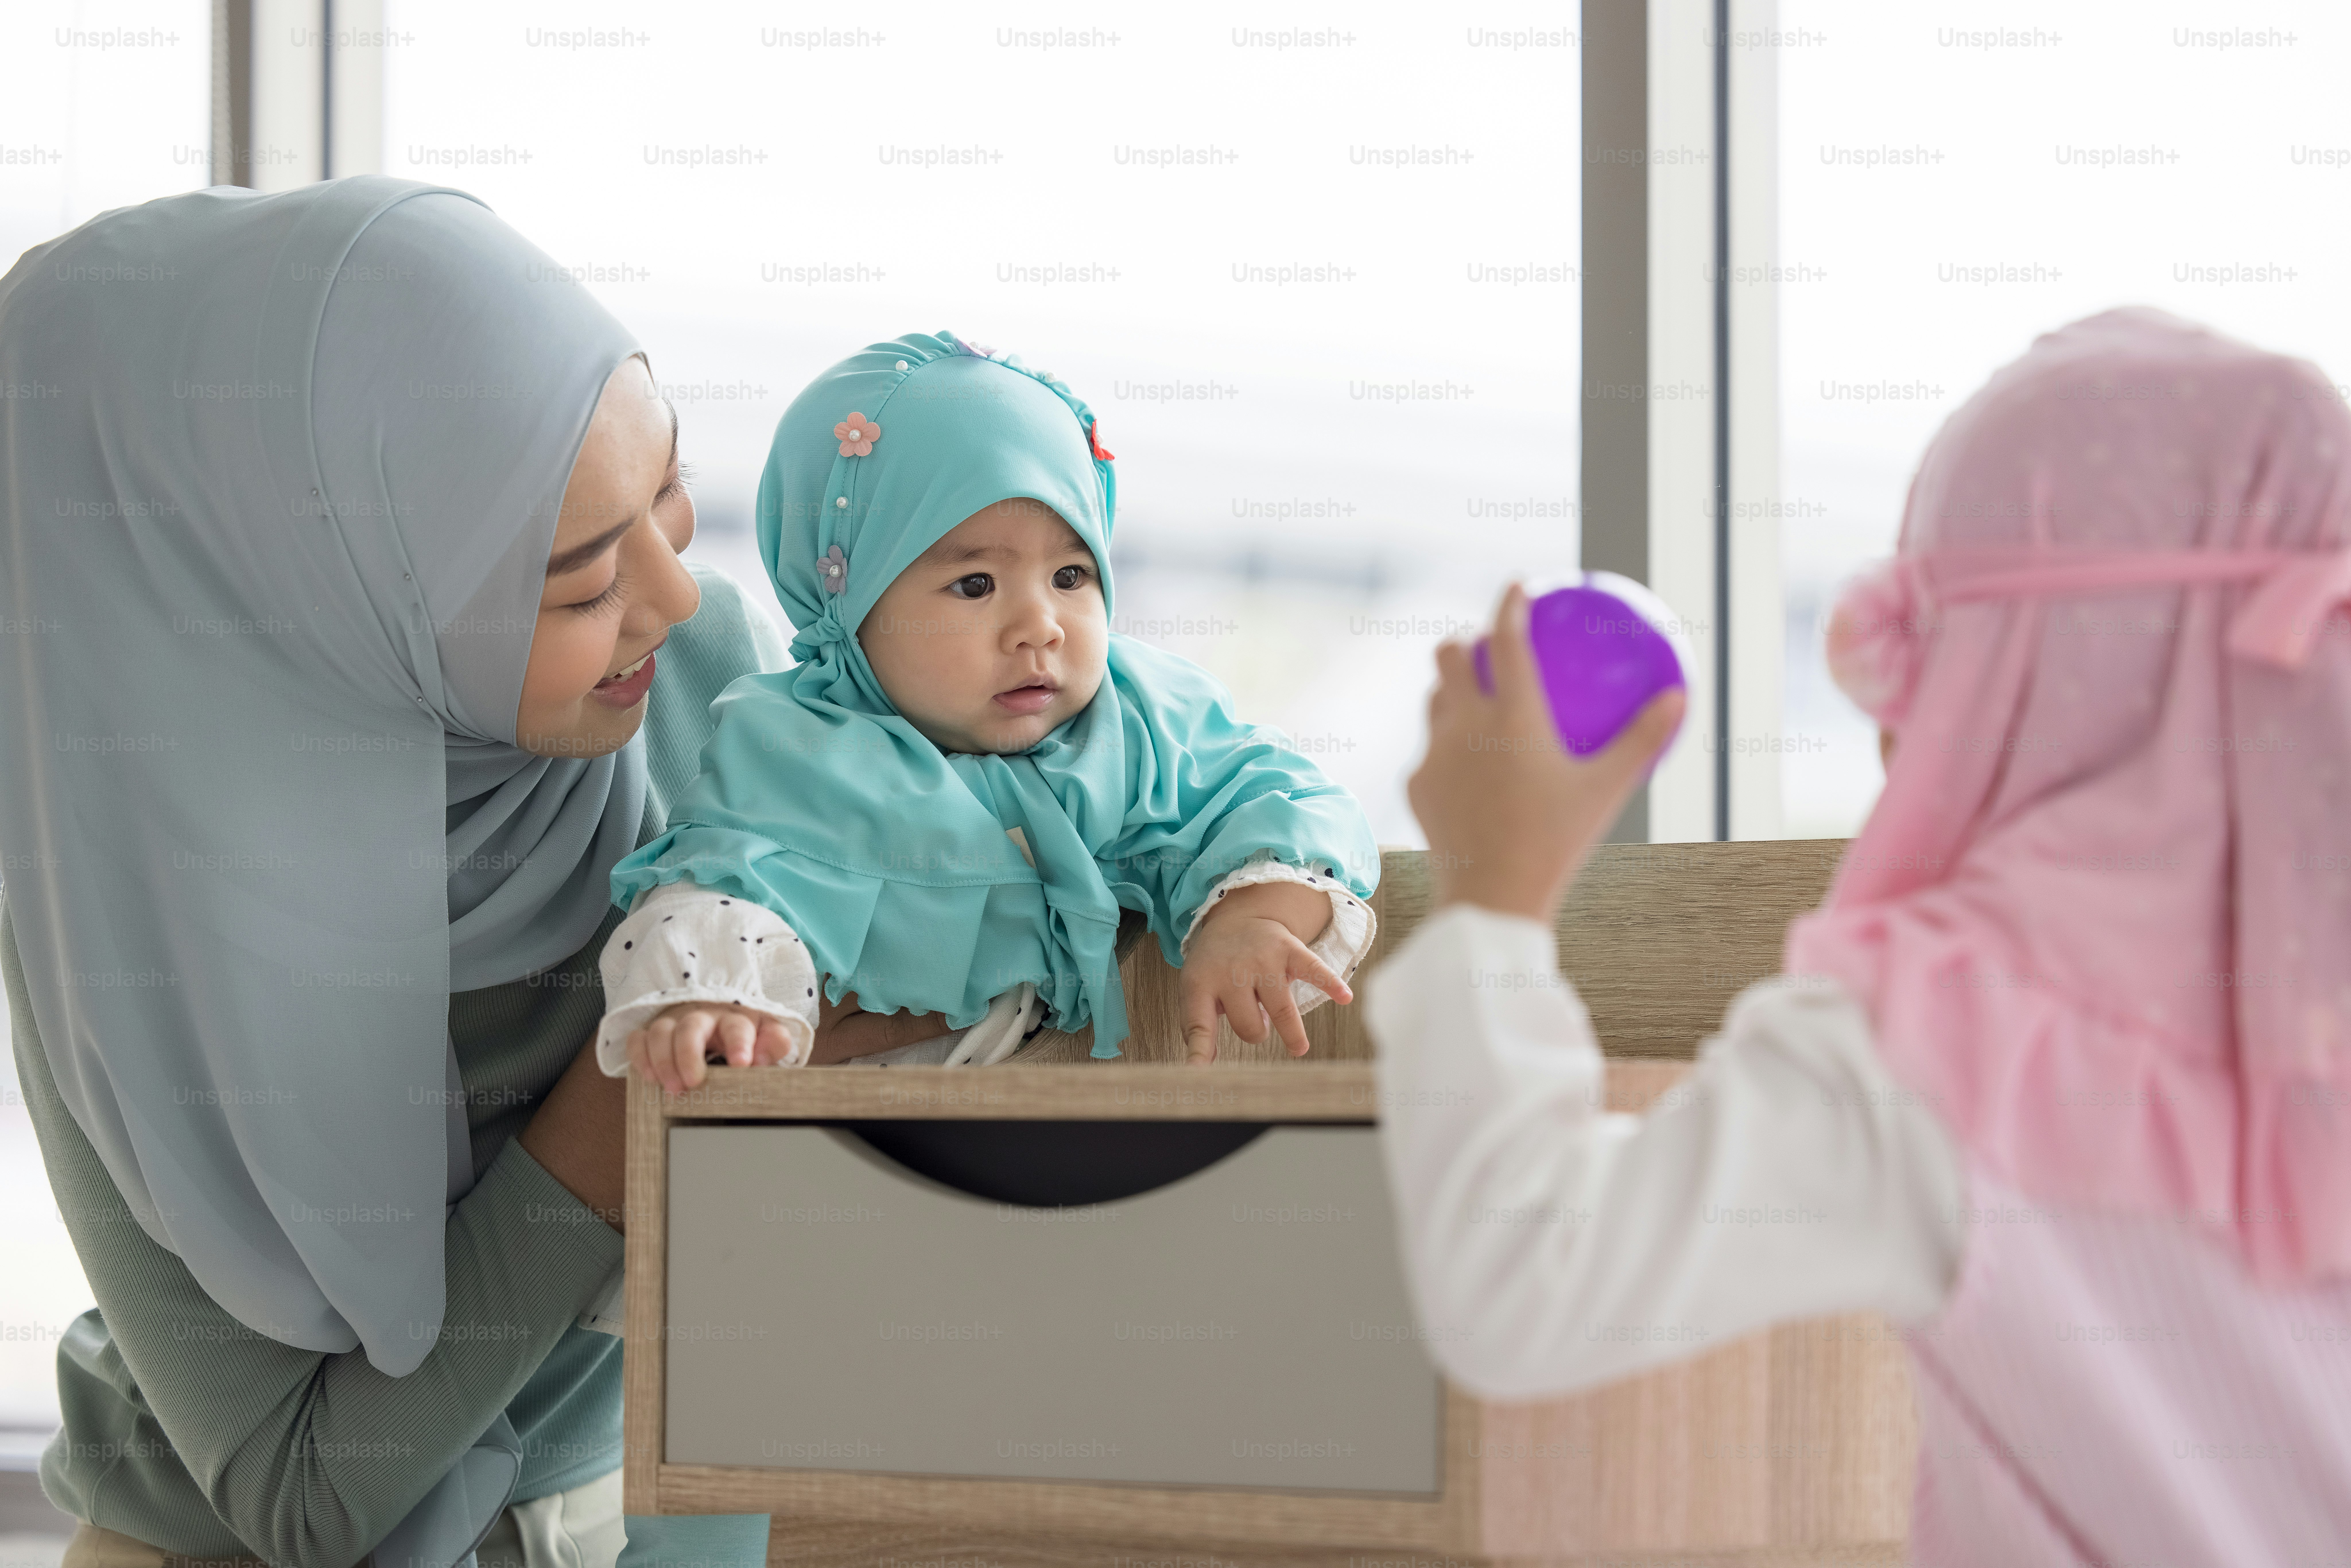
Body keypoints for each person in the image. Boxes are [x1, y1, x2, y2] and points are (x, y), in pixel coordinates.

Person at [1372, 309, 2351, 1565]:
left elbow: (1526, 1283)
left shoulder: (1937, 1042)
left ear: (2015, 673)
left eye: (1920, 648)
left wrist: (1493, 892)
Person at [0, 178, 776, 1567]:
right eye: (581, 582)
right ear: (349, 605)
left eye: (670, 493)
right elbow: (301, 1491)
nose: (673, 594)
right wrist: (620, 1110)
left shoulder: (703, 672)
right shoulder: (128, 878)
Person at [595, 331, 1380, 1088]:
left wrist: (1257, 917)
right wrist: (709, 998)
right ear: (847, 608)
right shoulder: (799, 749)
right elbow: (717, 884)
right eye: (975, 586)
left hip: (1079, 1126)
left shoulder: (1140, 718)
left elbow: (1275, 801)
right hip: (838, 1139)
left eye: (1072, 576)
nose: (1041, 626)